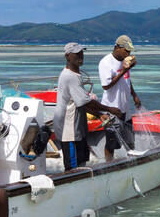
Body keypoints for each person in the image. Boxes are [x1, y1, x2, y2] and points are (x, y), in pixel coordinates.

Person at [52, 43, 122, 171]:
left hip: (77, 127)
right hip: (69, 130)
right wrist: (110, 109)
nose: (81, 56)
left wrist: (99, 114)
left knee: (82, 160)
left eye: (82, 52)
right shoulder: (69, 76)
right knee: (72, 168)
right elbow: (87, 102)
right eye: (77, 53)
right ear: (68, 56)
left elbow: (80, 102)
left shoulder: (75, 75)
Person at [98, 34, 142, 161]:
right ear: (117, 47)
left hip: (125, 109)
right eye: (126, 50)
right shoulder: (106, 62)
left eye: (130, 51)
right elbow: (106, 86)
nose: (128, 53)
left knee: (130, 141)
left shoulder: (125, 61)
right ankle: (109, 165)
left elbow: (127, 80)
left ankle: (133, 161)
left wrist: (134, 95)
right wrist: (123, 70)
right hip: (112, 110)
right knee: (111, 143)